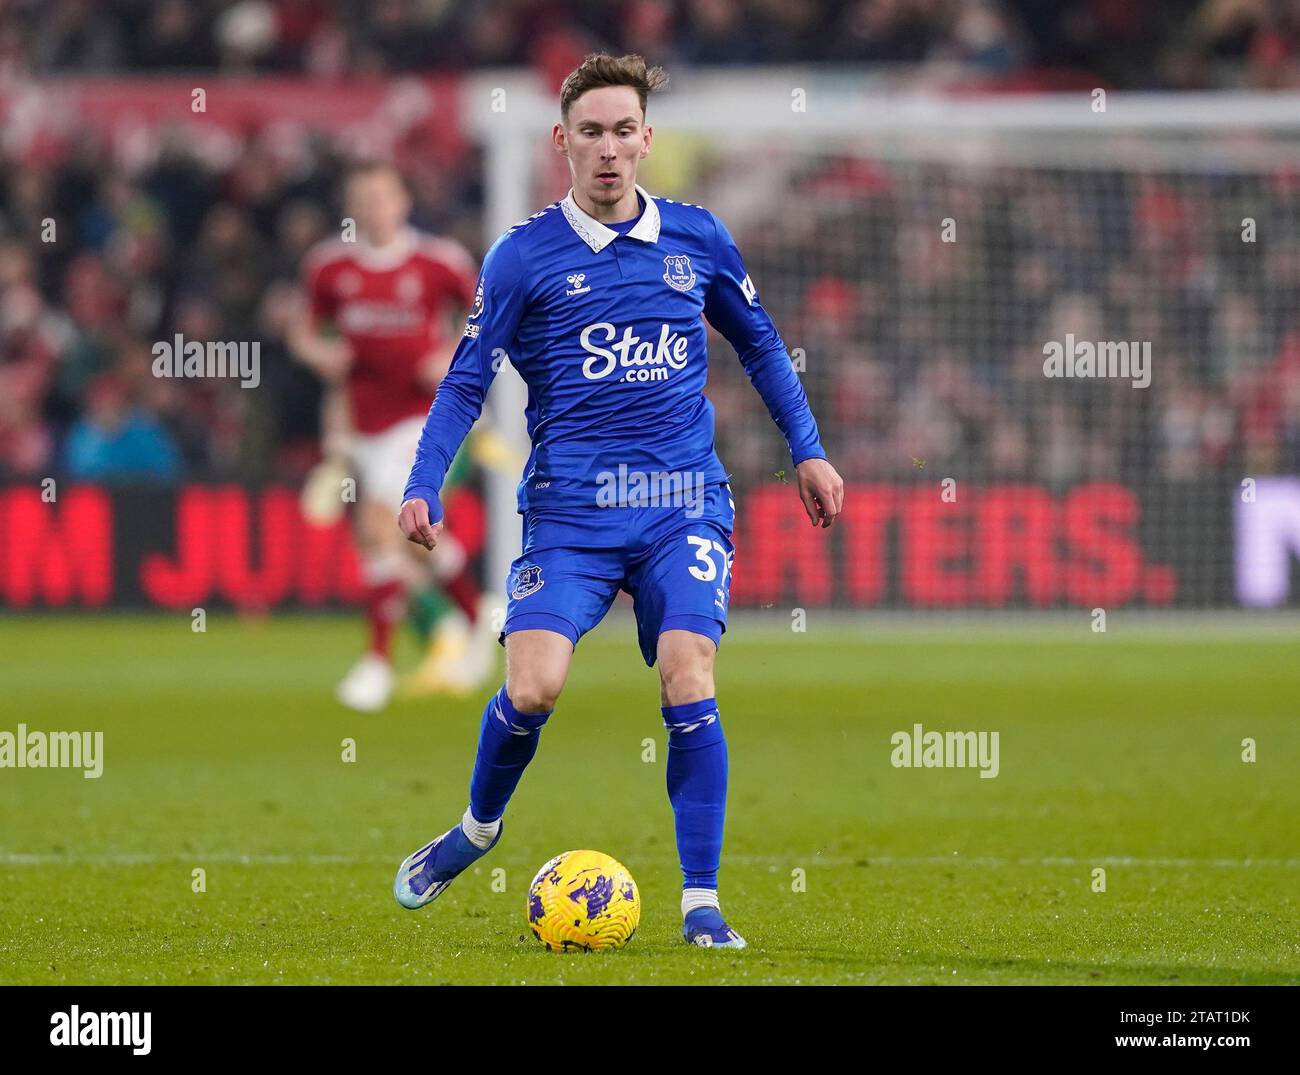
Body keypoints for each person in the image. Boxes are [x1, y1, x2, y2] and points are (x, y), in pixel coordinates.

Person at [394, 54, 844, 948]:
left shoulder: (698, 238)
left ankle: (701, 901)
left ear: (648, 140)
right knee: (534, 687)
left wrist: (810, 450)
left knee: (689, 670)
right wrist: (421, 480)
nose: (608, 150)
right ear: (562, 143)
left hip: (683, 502)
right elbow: (464, 380)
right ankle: (476, 829)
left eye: (623, 131)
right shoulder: (522, 257)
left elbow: (761, 344)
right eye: (590, 132)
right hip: (569, 513)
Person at [289, 162, 495, 712]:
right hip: (360, 422)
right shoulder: (330, 268)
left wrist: (448, 356)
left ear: (403, 201)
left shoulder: (438, 261)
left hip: (422, 420)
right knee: (402, 539)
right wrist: (320, 354)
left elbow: (487, 321)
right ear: (351, 207)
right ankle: (478, 619)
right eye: (363, 197)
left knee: (381, 524)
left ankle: (376, 664)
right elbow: (305, 331)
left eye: (383, 195)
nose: (374, 207)